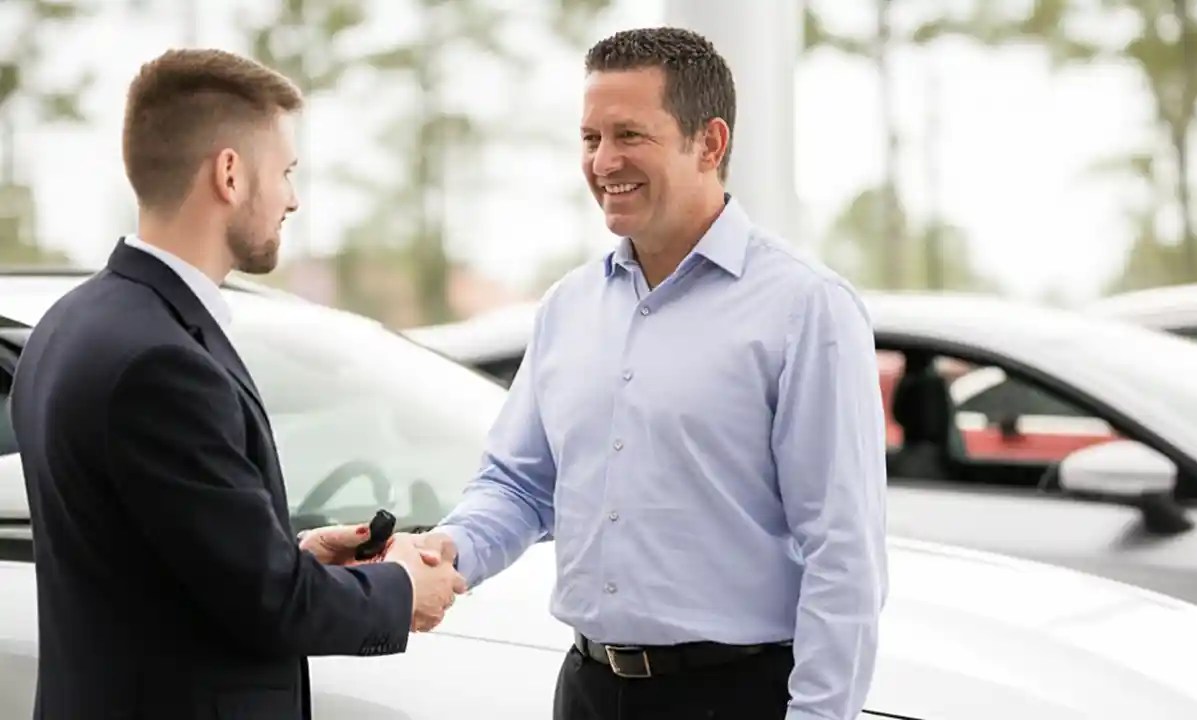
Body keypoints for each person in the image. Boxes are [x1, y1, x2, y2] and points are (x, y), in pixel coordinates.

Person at [415, 27, 888, 720]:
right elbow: (518, 484)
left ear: (711, 143)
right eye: (589, 138)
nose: (604, 162)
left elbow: (842, 553)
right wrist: (445, 552)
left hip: (735, 697)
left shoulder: (805, 309)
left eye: (629, 134)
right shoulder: (567, 307)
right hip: (586, 689)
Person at [8, 48, 464, 720]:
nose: (293, 197)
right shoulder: (160, 363)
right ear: (229, 172)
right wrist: (400, 590)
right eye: (284, 171)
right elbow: (269, 605)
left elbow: (151, 559)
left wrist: (296, 551)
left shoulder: (72, 324)